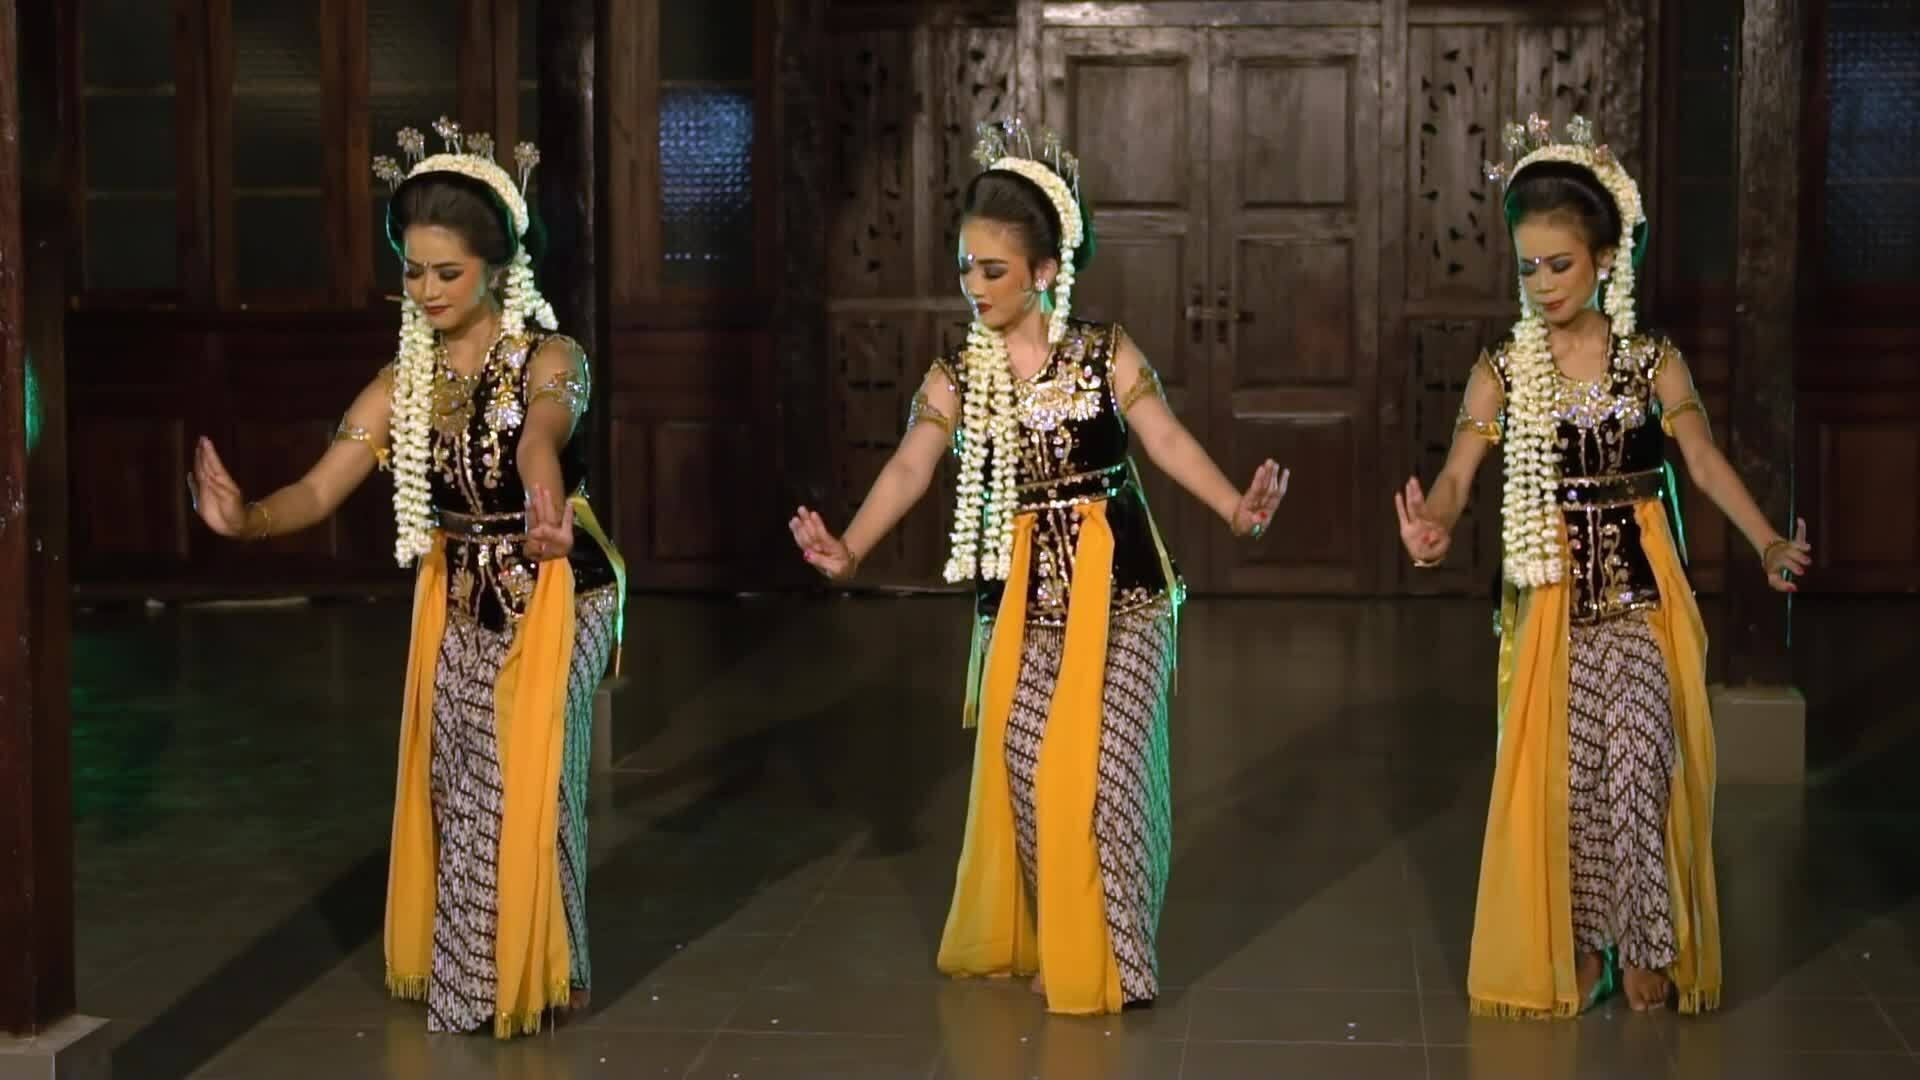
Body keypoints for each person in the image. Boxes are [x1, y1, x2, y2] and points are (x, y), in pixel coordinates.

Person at [787, 119, 1288, 1015]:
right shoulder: (957, 371)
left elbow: (1164, 438)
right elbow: (912, 461)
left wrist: (1232, 508)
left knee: (1107, 768)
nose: (973, 287)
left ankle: (1118, 961)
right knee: (1026, 765)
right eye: (965, 267)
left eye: (993, 270)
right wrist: (852, 544)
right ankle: (1063, 931)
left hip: (1124, 592)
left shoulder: (1103, 352)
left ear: (1047, 271)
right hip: (1022, 603)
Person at [188, 119, 624, 1038]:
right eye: (413, 272)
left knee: (514, 771)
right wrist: (247, 519)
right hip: (461, 593)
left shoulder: (552, 358)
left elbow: (544, 433)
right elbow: (319, 484)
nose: (425, 291)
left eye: (446, 273)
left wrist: (543, 497)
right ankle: (555, 962)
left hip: (562, 587)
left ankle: (482, 991)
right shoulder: (402, 382)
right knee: (467, 773)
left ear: (497, 270)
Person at [1394, 114, 1811, 1017]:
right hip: (1549, 603)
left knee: (1641, 762)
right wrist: (1432, 523)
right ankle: (1583, 950)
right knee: (1572, 782)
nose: (1543, 285)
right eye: (1529, 267)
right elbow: (1461, 476)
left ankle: (1650, 947)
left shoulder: (1651, 362)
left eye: (1562, 265)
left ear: (1608, 259)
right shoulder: (1502, 368)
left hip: (1641, 594)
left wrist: (1765, 541)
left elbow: (1700, 462)